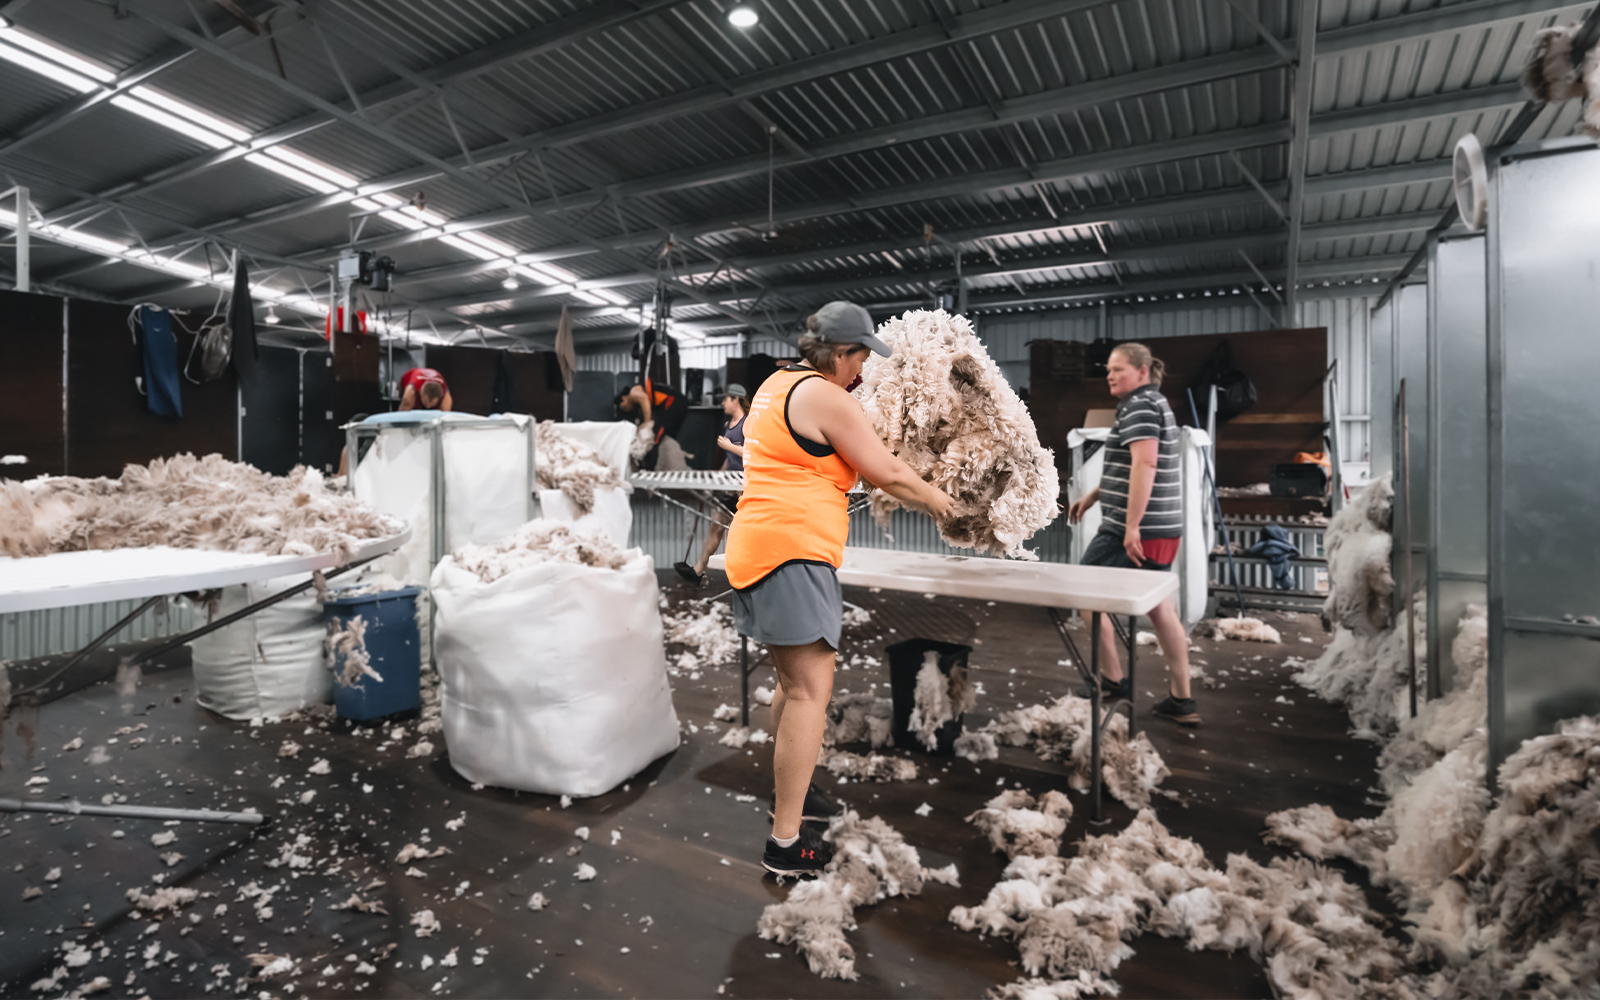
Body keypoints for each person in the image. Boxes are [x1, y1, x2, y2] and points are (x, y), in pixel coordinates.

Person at [723, 301, 956, 878]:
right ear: (842, 353)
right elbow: (890, 473)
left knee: (790, 685)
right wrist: (945, 505)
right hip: (792, 553)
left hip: (759, 545)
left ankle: (793, 796)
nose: (861, 373)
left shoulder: (775, 385)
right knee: (808, 694)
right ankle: (785, 844)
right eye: (859, 360)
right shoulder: (827, 395)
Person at [1066, 342, 1198, 726]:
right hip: (1159, 527)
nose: (1110, 375)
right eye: (1108, 369)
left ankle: (1114, 680)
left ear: (1141, 372)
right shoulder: (1150, 403)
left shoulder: (1140, 405)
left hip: (1137, 529)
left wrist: (1131, 527)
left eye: (1118, 369)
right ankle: (1182, 698)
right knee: (1160, 608)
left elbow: (1146, 463)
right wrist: (1093, 496)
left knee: (1088, 599)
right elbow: (1127, 467)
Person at [675, 384, 748, 585]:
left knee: (745, 532)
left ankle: (746, 572)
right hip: (729, 486)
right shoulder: (728, 425)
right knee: (716, 527)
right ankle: (699, 569)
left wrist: (730, 446)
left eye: (726, 399)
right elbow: (729, 459)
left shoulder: (748, 424)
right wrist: (718, 476)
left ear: (735, 400)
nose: (723, 403)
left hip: (745, 487)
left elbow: (753, 453)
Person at [617, 380, 689, 469]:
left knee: (657, 437)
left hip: (673, 401)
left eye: (624, 407)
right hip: (678, 402)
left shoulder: (633, 393)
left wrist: (647, 422)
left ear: (623, 398)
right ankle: (661, 464)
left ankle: (650, 467)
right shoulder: (639, 394)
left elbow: (645, 400)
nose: (627, 409)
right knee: (665, 434)